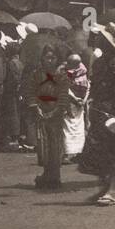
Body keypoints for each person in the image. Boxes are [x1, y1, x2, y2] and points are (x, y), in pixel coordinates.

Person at [80, 24, 115, 205]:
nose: (96, 39)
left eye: (100, 37)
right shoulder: (100, 62)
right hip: (97, 110)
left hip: (112, 112)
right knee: (98, 150)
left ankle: (111, 191)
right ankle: (103, 188)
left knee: (111, 150)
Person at [27, 43, 71, 191]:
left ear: (57, 59)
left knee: (55, 145)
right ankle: (47, 174)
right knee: (43, 146)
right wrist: (35, 107)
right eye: (47, 57)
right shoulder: (37, 74)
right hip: (41, 111)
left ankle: (55, 177)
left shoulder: (61, 75)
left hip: (56, 113)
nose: (50, 60)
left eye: (53, 58)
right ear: (42, 58)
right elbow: (31, 91)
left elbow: (64, 95)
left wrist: (57, 110)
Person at [62, 51, 89, 161]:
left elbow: (65, 88)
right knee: (79, 126)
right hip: (80, 103)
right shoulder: (83, 72)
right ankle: (79, 151)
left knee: (69, 126)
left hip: (71, 102)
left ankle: (69, 152)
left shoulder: (67, 73)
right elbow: (88, 88)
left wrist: (74, 99)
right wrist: (83, 100)